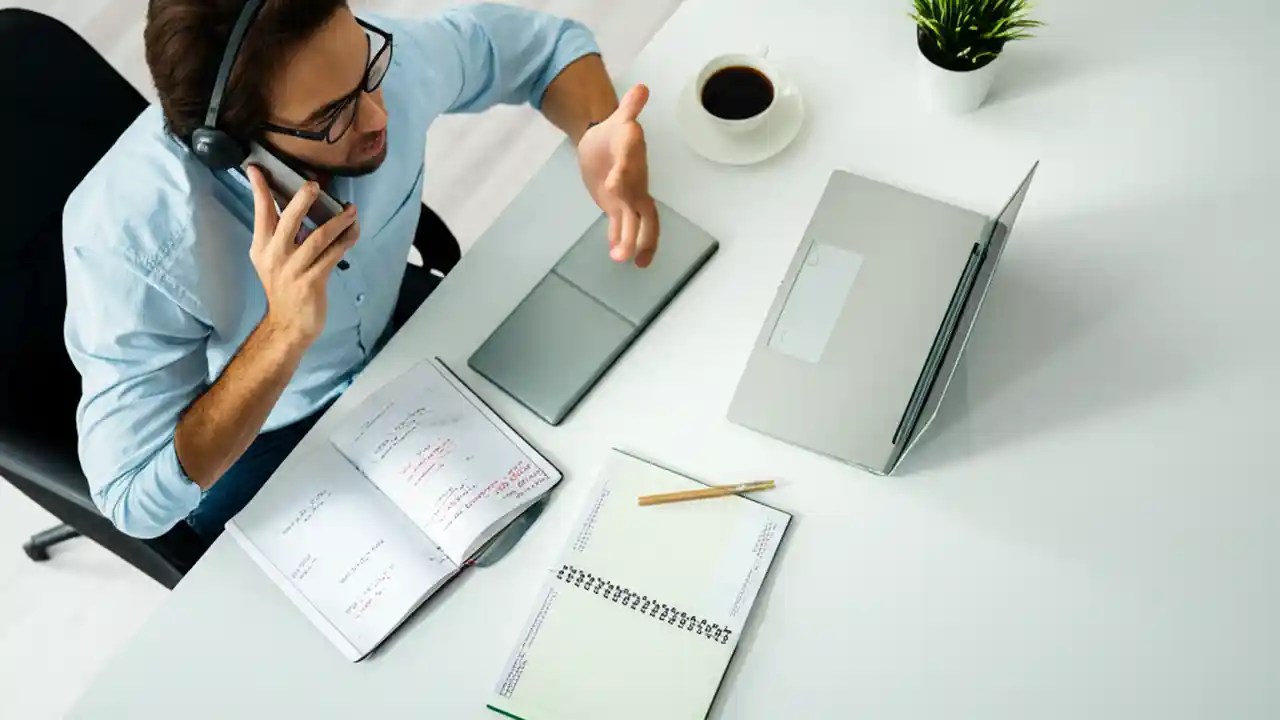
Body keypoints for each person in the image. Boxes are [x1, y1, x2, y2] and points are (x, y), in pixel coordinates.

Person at [64, 0, 660, 543]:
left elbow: (542, 46)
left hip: (402, 333)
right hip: (269, 430)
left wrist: (597, 128)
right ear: (229, 146)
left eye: (366, 74)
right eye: (333, 116)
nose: (379, 115)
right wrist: (282, 334)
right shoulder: (128, 244)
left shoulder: (363, 73)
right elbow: (131, 500)